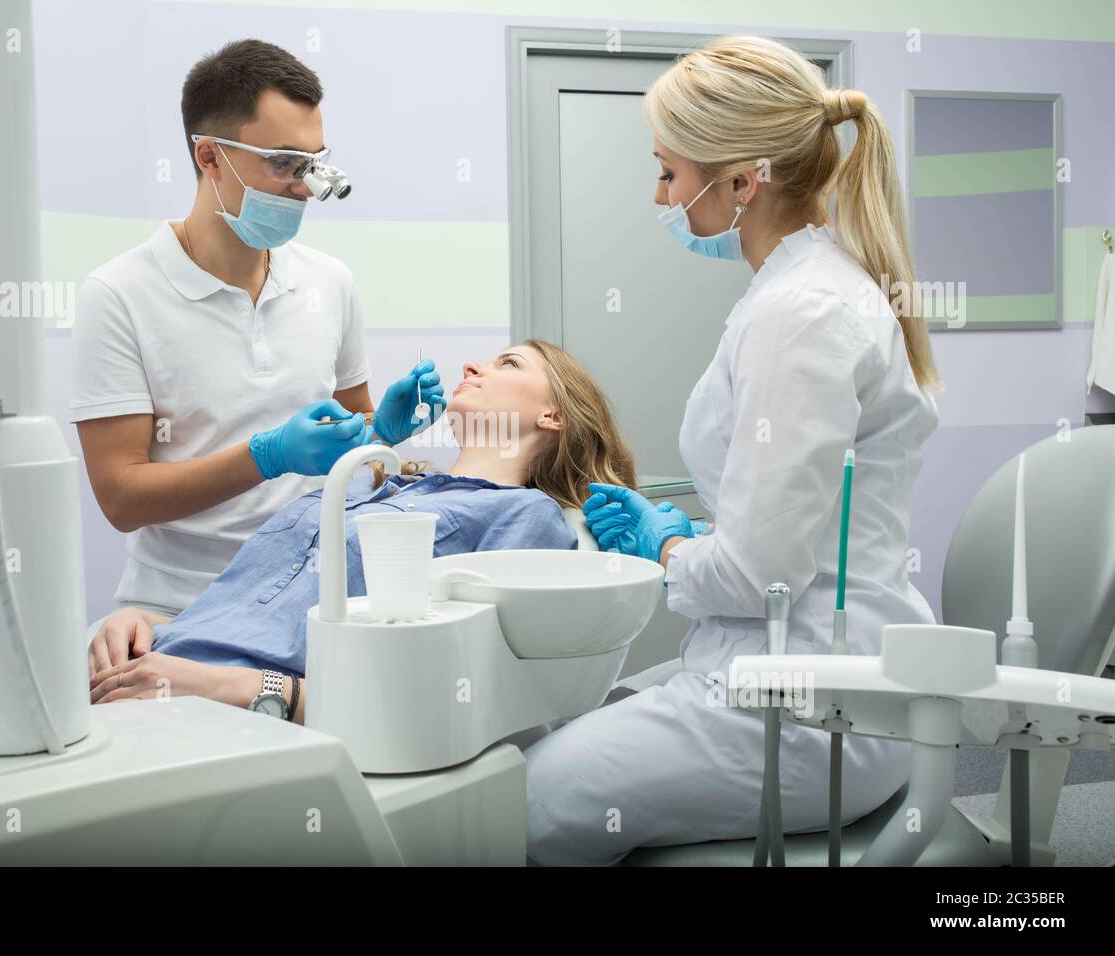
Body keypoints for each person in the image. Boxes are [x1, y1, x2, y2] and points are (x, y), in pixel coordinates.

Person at [523, 35, 942, 865]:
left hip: (819, 702)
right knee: (560, 731)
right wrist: (678, 534)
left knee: (520, 803)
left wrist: (665, 542)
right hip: (793, 667)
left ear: (743, 181)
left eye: (669, 173)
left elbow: (759, 577)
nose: (660, 193)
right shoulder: (795, 292)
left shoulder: (804, 313)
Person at [68, 39, 443, 620]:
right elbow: (121, 498)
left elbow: (354, 447)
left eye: (314, 164)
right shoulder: (119, 294)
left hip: (315, 598)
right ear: (210, 157)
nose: (305, 187)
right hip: (177, 607)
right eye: (284, 163)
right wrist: (266, 457)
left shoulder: (331, 281)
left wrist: (382, 435)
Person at [85, 341, 637, 725]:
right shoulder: (368, 483)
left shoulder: (526, 518)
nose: (473, 365)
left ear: (553, 417)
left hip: (228, 710)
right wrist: (150, 622)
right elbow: (274, 602)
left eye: (509, 363)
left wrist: (231, 688)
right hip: (148, 668)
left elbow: (443, 694)